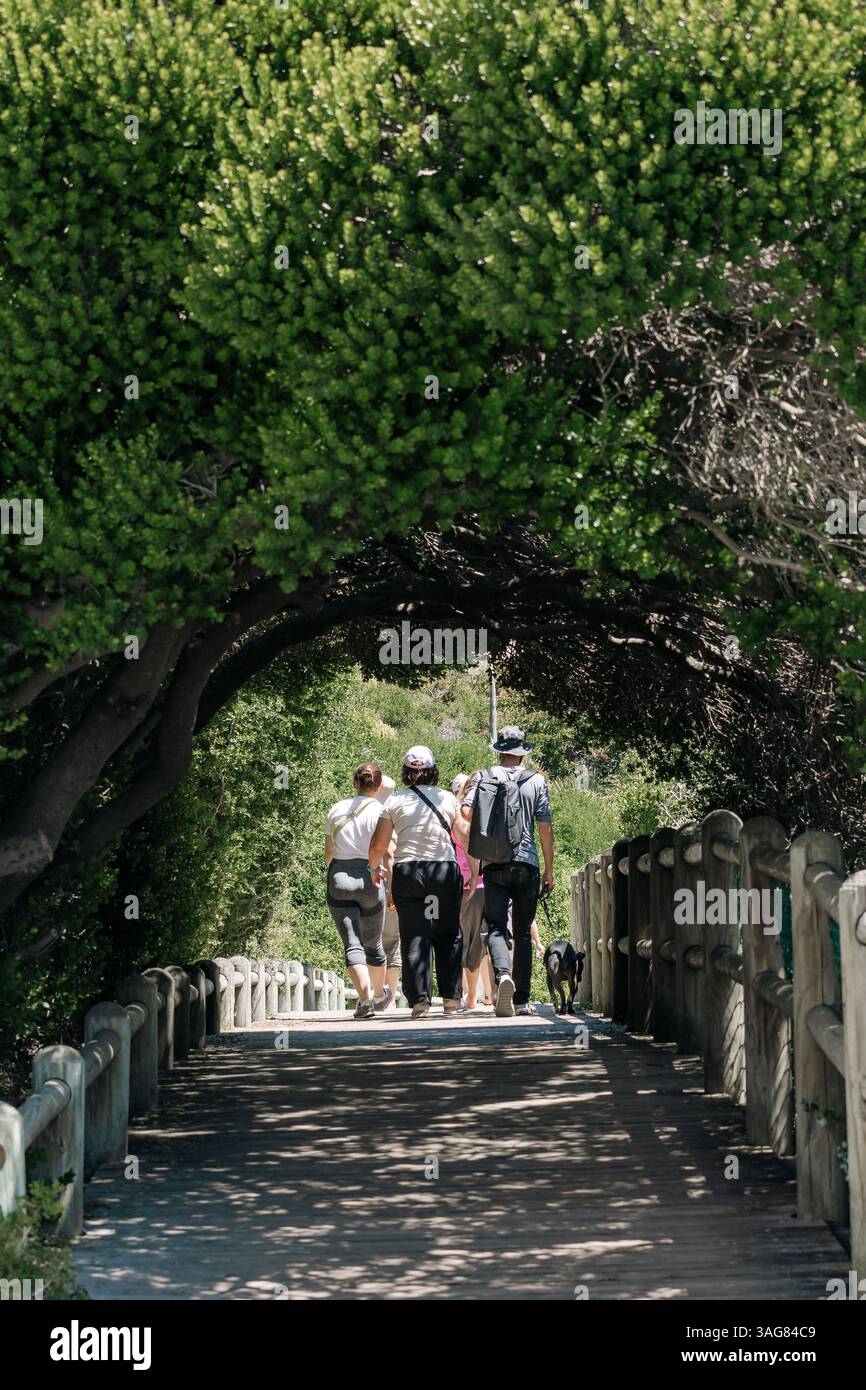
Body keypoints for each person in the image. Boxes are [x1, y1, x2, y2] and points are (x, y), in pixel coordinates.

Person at [457, 725, 554, 1018]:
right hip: (528, 864)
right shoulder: (537, 781)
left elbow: (464, 814)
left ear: (499, 751)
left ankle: (502, 976)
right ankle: (522, 1000)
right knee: (523, 932)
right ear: (523, 752)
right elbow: (545, 828)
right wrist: (549, 869)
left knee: (497, 927)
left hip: (495, 864)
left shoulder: (484, 777)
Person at [367, 746, 463, 1019]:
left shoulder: (393, 802)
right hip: (443, 869)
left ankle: (420, 1001)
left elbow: (380, 845)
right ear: (433, 771)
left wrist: (374, 869)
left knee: (414, 935)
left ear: (407, 773)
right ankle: (450, 1000)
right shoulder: (447, 798)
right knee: (448, 933)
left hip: (409, 871)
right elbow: (463, 836)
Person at [324, 762, 392, 1019]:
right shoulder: (383, 811)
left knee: (352, 942)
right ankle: (378, 995)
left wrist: (333, 873)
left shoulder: (337, 808)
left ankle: (364, 1000)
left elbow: (329, 850)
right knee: (373, 943)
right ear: (379, 785)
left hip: (340, 877)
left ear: (355, 783)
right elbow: (387, 851)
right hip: (371, 879)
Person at [451, 773, 487, 1011]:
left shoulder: (457, 819)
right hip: (490, 883)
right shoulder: (486, 815)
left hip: (466, 884)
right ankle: (482, 993)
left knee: (466, 941)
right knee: (484, 939)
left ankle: (470, 996)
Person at [375, 774, 402, 1011]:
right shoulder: (393, 816)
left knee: (368, 941)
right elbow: (391, 855)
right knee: (392, 941)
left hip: (364, 882)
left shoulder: (360, 810)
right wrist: (394, 890)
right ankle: (390, 998)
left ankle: (373, 994)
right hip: (386, 882)